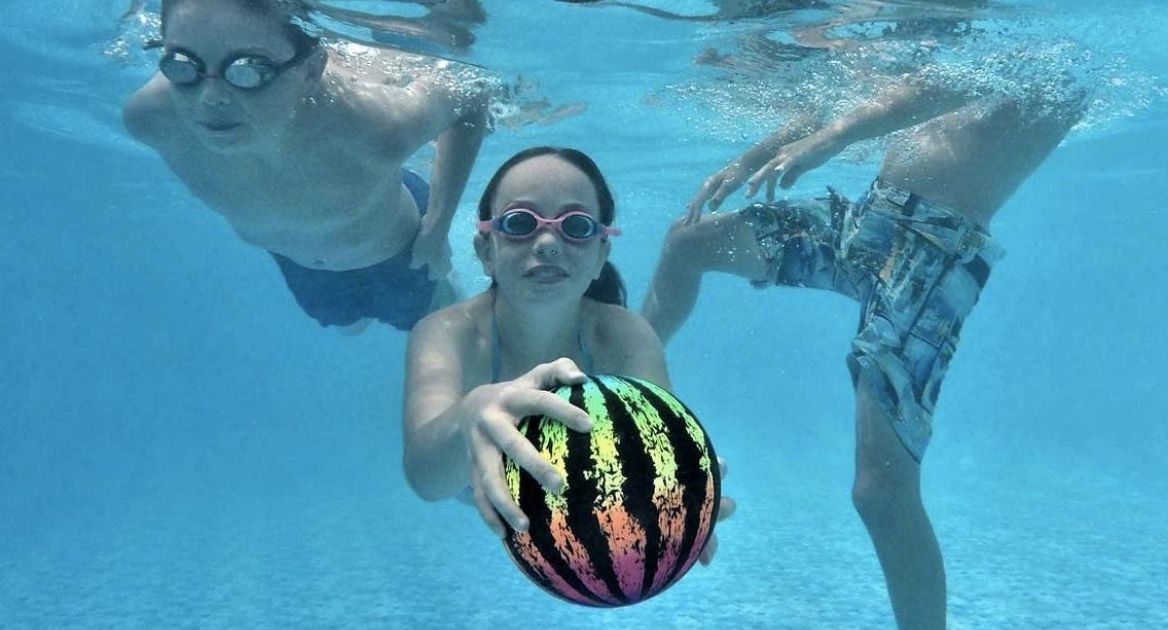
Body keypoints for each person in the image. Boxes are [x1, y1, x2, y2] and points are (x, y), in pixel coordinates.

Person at [641, 77, 1085, 628]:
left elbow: (944, 86)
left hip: (933, 250)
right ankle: (618, 382)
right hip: (866, 221)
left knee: (881, 492)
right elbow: (849, 88)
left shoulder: (1044, 51)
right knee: (685, 244)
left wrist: (836, 136)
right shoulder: (924, 34)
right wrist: (754, 155)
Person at [402, 147, 733, 562]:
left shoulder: (625, 335)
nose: (546, 243)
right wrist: (470, 414)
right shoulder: (447, 333)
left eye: (575, 227)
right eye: (520, 223)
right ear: (486, 251)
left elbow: (655, 454)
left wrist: (681, 490)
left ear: (600, 255)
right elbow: (425, 478)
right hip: (479, 497)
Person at [123, 0, 488, 333]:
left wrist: (437, 228)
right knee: (347, 324)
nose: (211, 98)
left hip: (399, 254)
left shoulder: (376, 126)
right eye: (182, 66)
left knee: (438, 324)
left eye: (250, 70)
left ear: (312, 69)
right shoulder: (150, 118)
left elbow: (472, 90)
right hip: (300, 268)